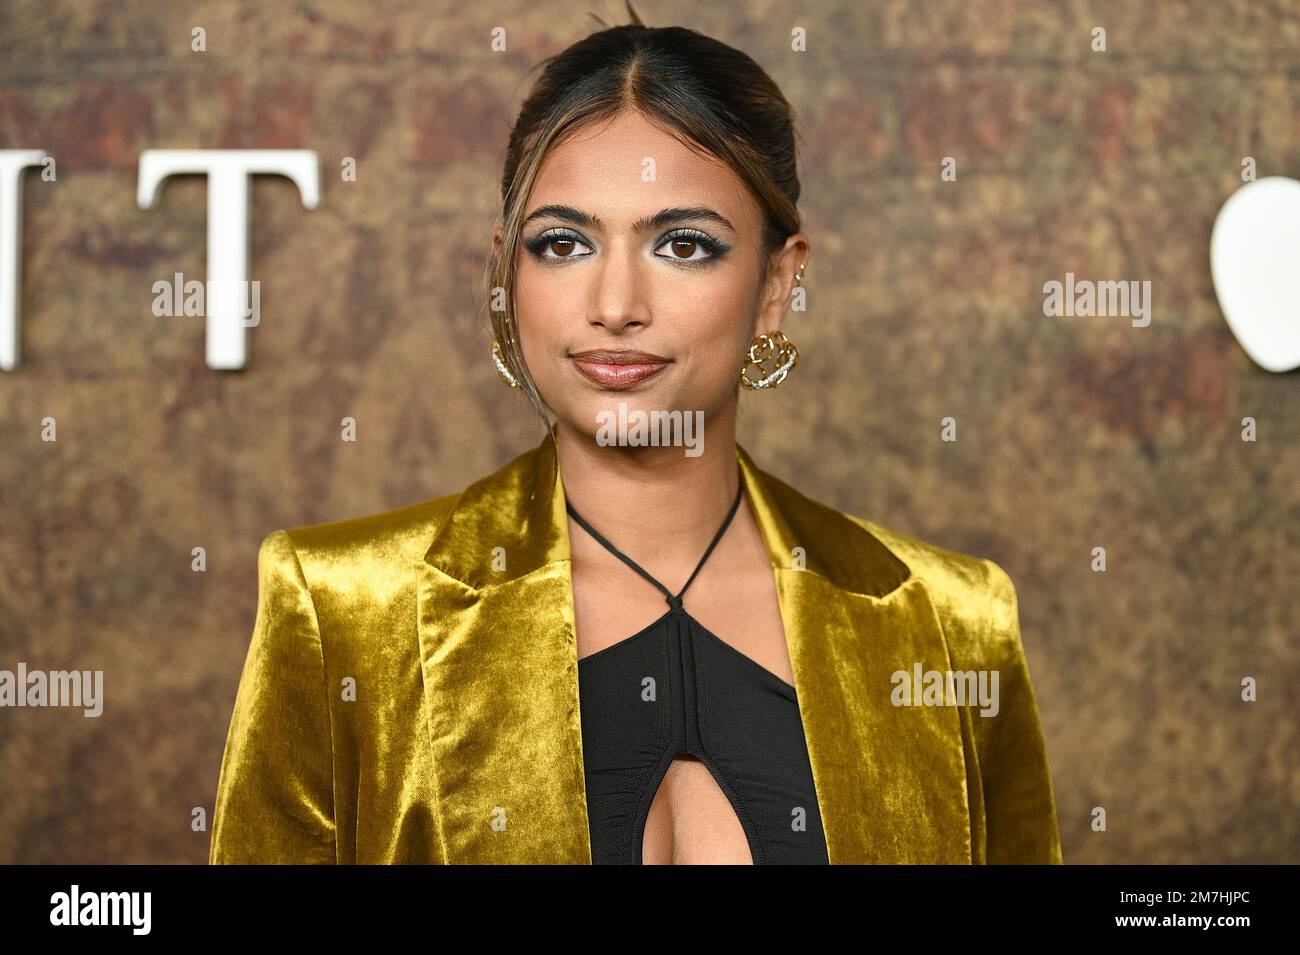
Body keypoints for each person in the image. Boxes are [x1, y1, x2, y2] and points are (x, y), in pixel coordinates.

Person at [210, 9, 1062, 865]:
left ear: (776, 283)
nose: (616, 304)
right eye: (564, 243)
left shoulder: (952, 626)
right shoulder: (341, 613)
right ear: (508, 273)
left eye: (684, 244)